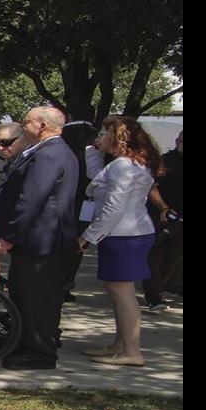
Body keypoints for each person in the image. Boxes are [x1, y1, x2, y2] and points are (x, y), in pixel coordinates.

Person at [0, 106, 81, 370]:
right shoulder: (52, 151)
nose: (23, 125)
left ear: (41, 125)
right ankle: (27, 343)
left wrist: (10, 236)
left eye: (26, 121)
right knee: (30, 296)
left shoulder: (49, 155)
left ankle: (39, 351)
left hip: (42, 241)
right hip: (42, 240)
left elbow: (32, 199)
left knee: (36, 298)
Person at [78, 117, 162, 367]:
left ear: (118, 138)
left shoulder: (123, 166)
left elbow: (114, 207)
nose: (99, 137)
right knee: (117, 293)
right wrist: (93, 151)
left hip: (124, 235)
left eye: (104, 133)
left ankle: (132, 351)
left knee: (123, 294)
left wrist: (89, 235)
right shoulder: (124, 164)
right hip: (124, 234)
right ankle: (121, 344)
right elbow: (96, 180)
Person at [59, 119, 101, 303]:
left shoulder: (71, 154)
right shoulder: (79, 155)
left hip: (76, 207)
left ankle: (64, 283)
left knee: (73, 247)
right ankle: (66, 283)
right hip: (81, 207)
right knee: (75, 248)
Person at [141, 130, 183, 312]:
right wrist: (163, 208)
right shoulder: (165, 161)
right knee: (154, 255)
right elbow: (151, 187)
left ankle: (158, 288)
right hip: (162, 215)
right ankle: (153, 296)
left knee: (173, 257)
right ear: (177, 141)